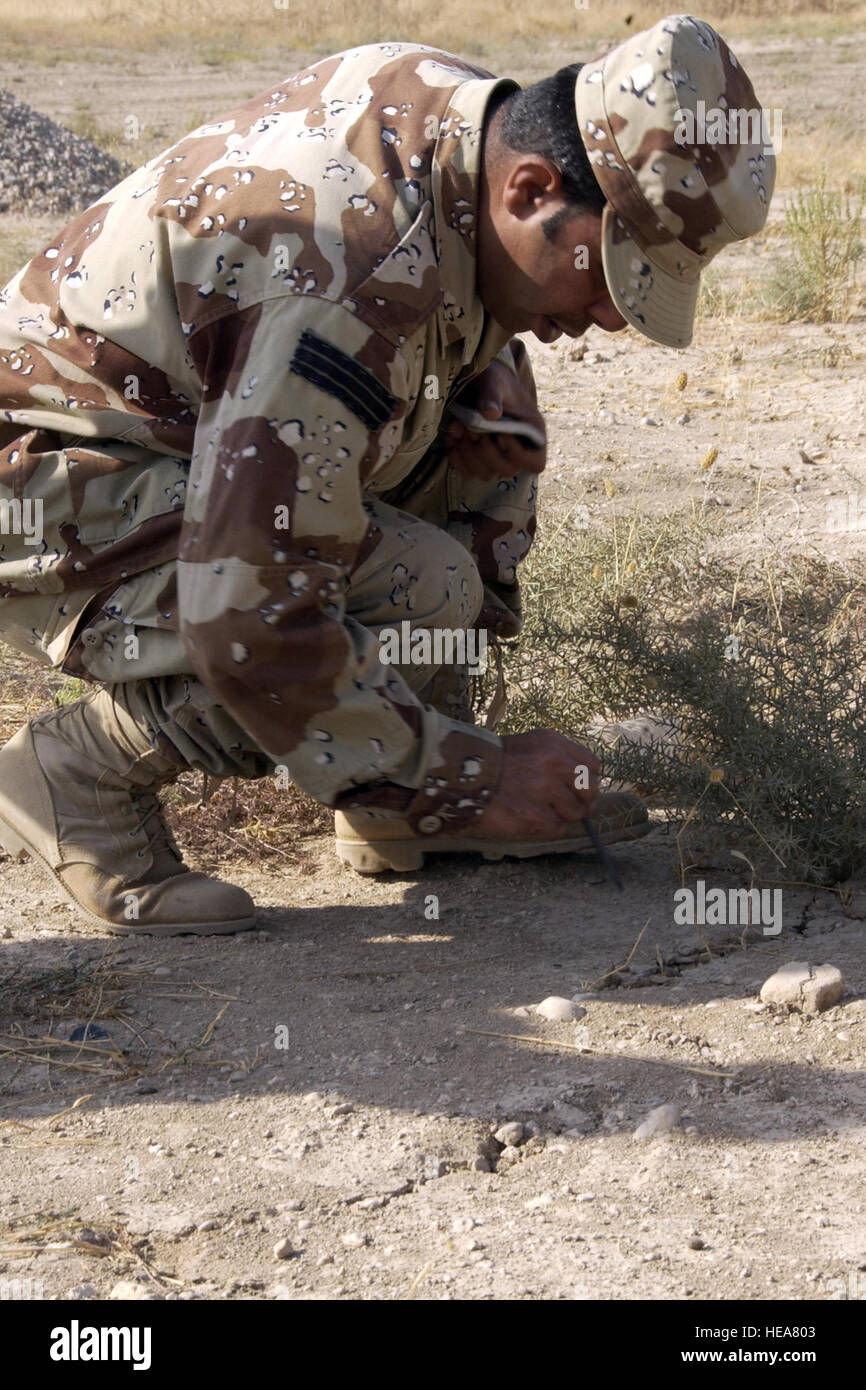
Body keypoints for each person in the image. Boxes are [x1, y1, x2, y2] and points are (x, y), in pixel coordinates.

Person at [0, 15, 774, 934]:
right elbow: (253, 603)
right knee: (417, 580)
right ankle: (79, 771)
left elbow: (434, 367)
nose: (611, 317)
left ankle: (390, 803)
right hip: (45, 480)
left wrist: (428, 761)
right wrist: (473, 780)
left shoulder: (473, 134)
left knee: (489, 429)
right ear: (529, 189)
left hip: (177, 441)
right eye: (610, 272)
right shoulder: (342, 274)